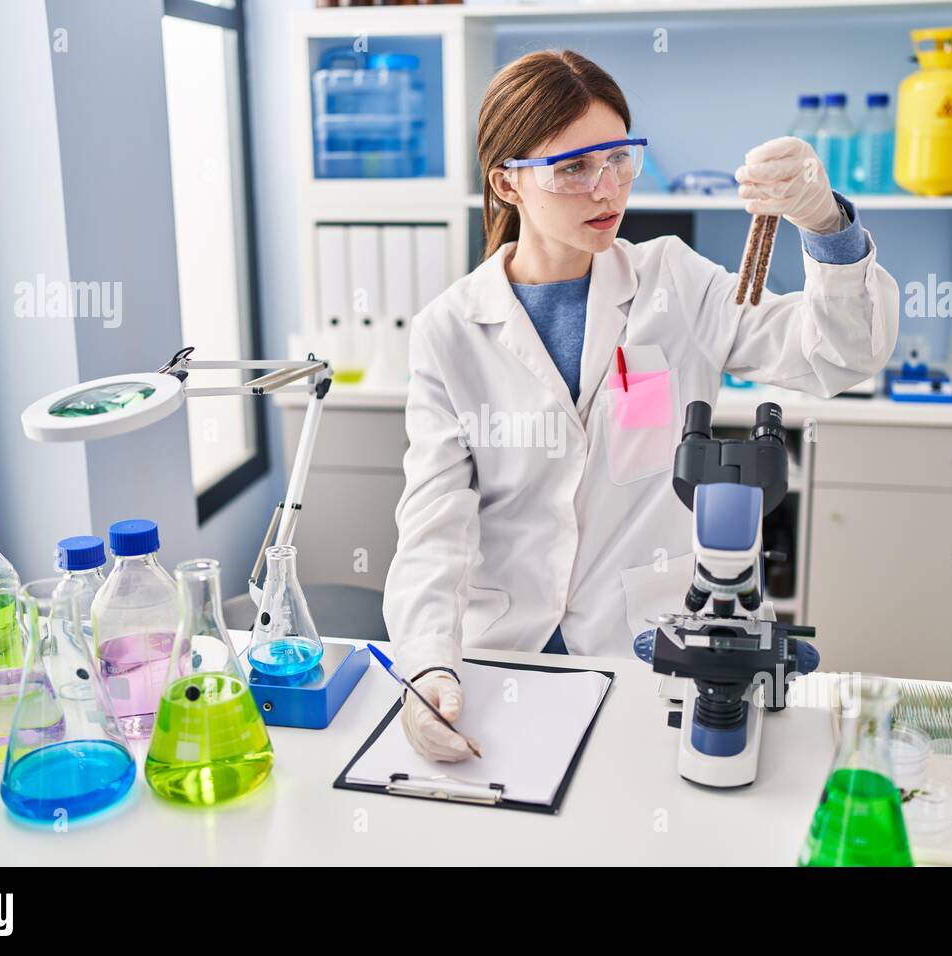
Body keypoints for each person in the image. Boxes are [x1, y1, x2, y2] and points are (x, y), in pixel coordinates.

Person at [383, 51, 897, 761]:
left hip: (648, 654)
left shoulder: (674, 283)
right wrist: (426, 665)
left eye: (620, 159)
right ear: (506, 182)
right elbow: (433, 525)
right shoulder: (449, 332)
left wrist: (826, 225)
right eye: (574, 169)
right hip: (500, 661)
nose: (609, 189)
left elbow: (839, 354)